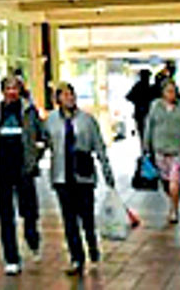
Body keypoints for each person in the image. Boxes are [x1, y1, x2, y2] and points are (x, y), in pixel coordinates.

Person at [43, 82, 114, 276]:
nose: (69, 98)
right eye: (64, 95)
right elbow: (45, 142)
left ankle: (92, 245)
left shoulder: (87, 120)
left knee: (87, 216)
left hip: (83, 175)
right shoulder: (51, 121)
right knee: (69, 219)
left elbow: (99, 146)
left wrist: (107, 170)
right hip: (61, 176)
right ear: (57, 99)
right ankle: (77, 258)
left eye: (71, 94)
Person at [0, 75, 44, 276]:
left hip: (24, 170)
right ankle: (11, 258)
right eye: (8, 88)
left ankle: (32, 238)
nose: (11, 92)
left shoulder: (28, 111)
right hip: (2, 170)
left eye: (15, 88)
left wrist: (35, 156)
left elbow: (41, 136)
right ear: (2, 91)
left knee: (29, 211)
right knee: (5, 215)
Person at [144, 78, 180, 224]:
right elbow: (149, 125)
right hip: (159, 150)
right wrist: (146, 146)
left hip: (176, 150)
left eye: (174, 91)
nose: (171, 94)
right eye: (168, 91)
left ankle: (174, 209)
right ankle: (172, 198)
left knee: (175, 181)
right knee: (165, 183)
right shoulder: (155, 106)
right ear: (163, 93)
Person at [127, 68, 155, 153]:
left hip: (142, 114)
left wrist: (137, 102)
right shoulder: (148, 88)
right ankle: (147, 150)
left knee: (143, 133)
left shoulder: (139, 86)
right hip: (146, 113)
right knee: (147, 133)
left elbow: (129, 97)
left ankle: (145, 150)